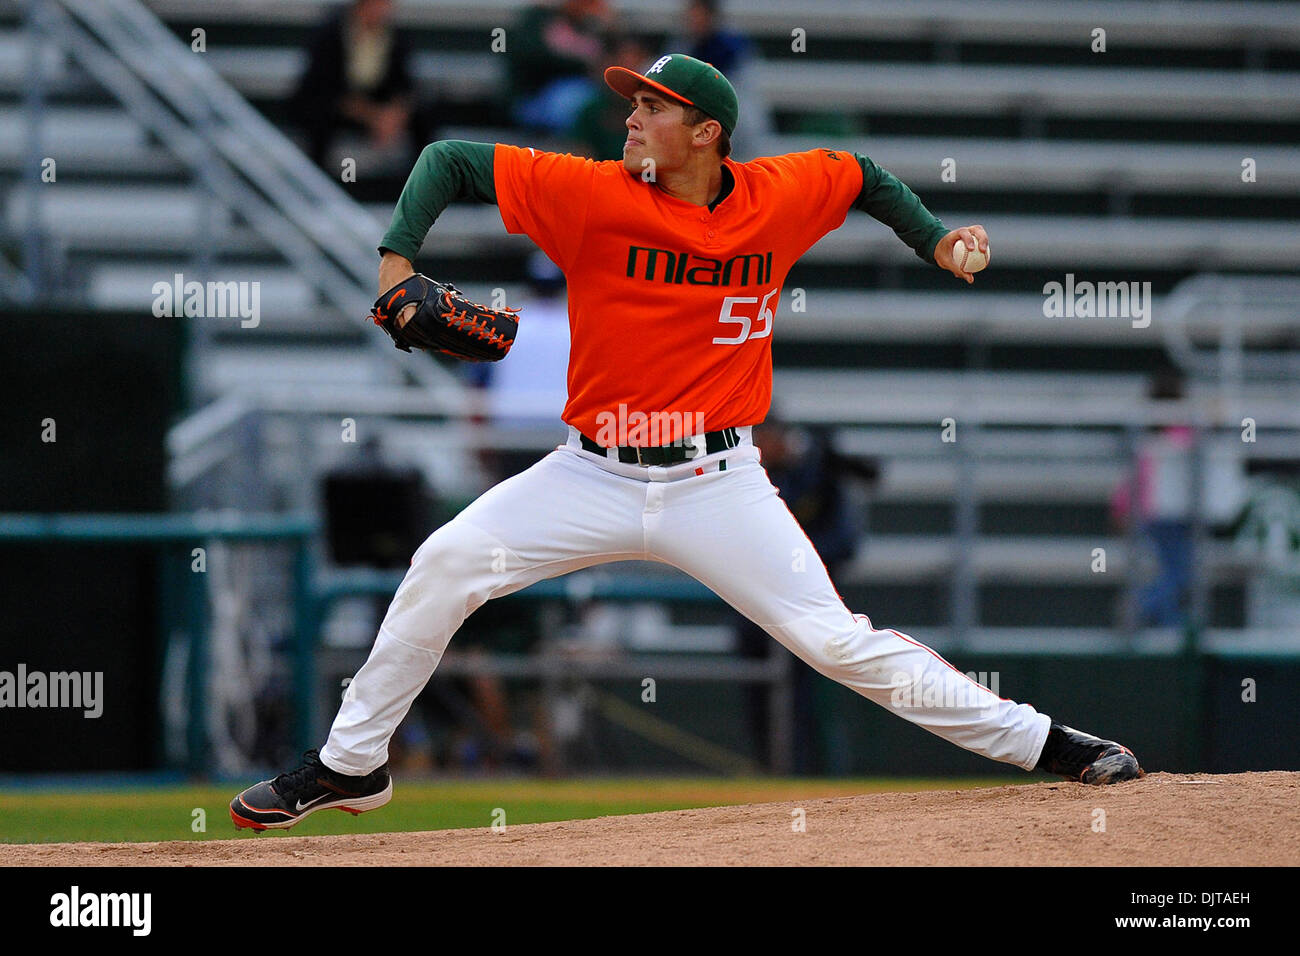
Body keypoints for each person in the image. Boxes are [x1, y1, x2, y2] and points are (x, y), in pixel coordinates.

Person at [231, 53, 1142, 831]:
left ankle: (1045, 742)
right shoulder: (593, 196)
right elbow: (446, 161)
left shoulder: (778, 196)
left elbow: (862, 174)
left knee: (835, 642)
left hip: (719, 481)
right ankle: (354, 763)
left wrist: (936, 244)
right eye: (633, 102)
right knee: (444, 563)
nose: (630, 116)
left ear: (705, 131)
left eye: (651, 107)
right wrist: (398, 264)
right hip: (591, 470)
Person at [289, 0, 431, 173]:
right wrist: (372, 116)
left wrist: (395, 113)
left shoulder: (396, 35)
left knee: (425, 116)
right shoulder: (331, 32)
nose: (383, 10)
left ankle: (421, 181)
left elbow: (405, 83)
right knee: (319, 119)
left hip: (377, 104)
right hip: (336, 104)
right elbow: (321, 86)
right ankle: (317, 179)